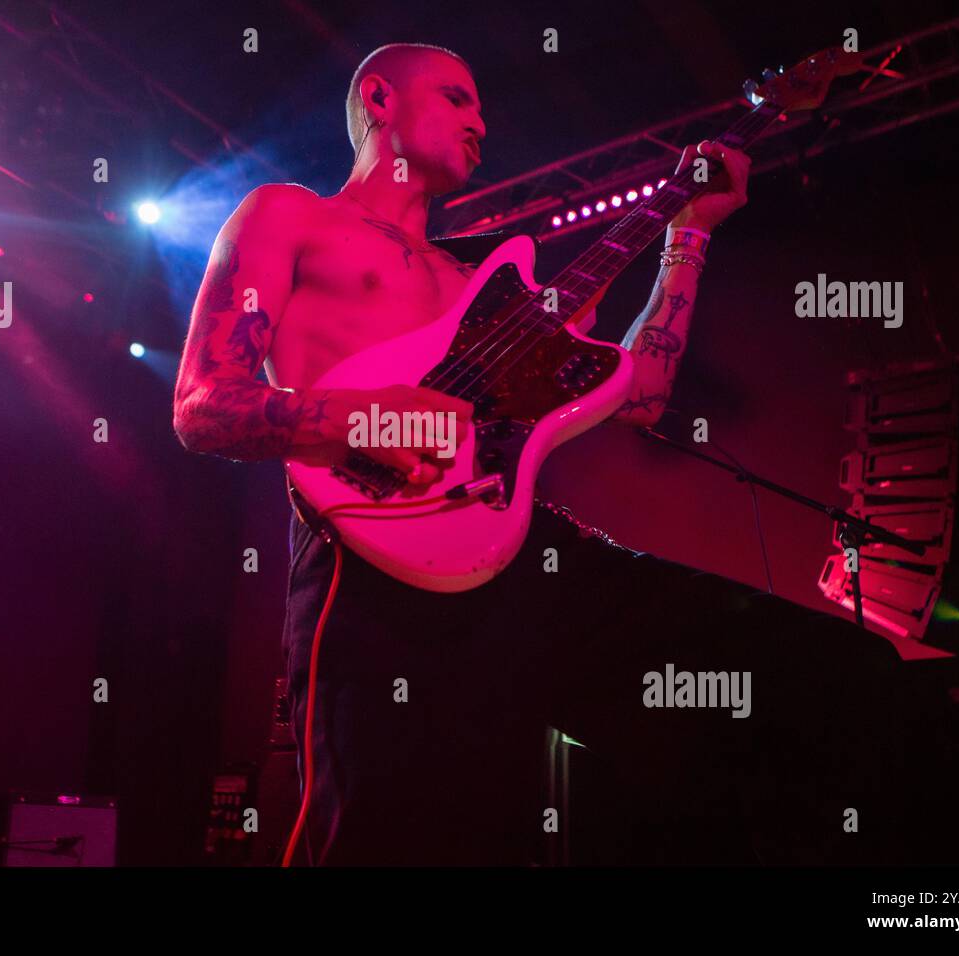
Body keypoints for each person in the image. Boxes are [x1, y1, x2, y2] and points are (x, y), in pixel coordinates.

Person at [173, 43, 885, 865]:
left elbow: (642, 391)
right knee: (378, 832)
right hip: (364, 555)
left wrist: (687, 235)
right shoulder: (289, 215)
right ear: (378, 97)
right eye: (457, 99)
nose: (482, 122)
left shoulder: (486, 283)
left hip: (510, 545)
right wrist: (365, 418)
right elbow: (202, 406)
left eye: (481, 107)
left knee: (801, 675)